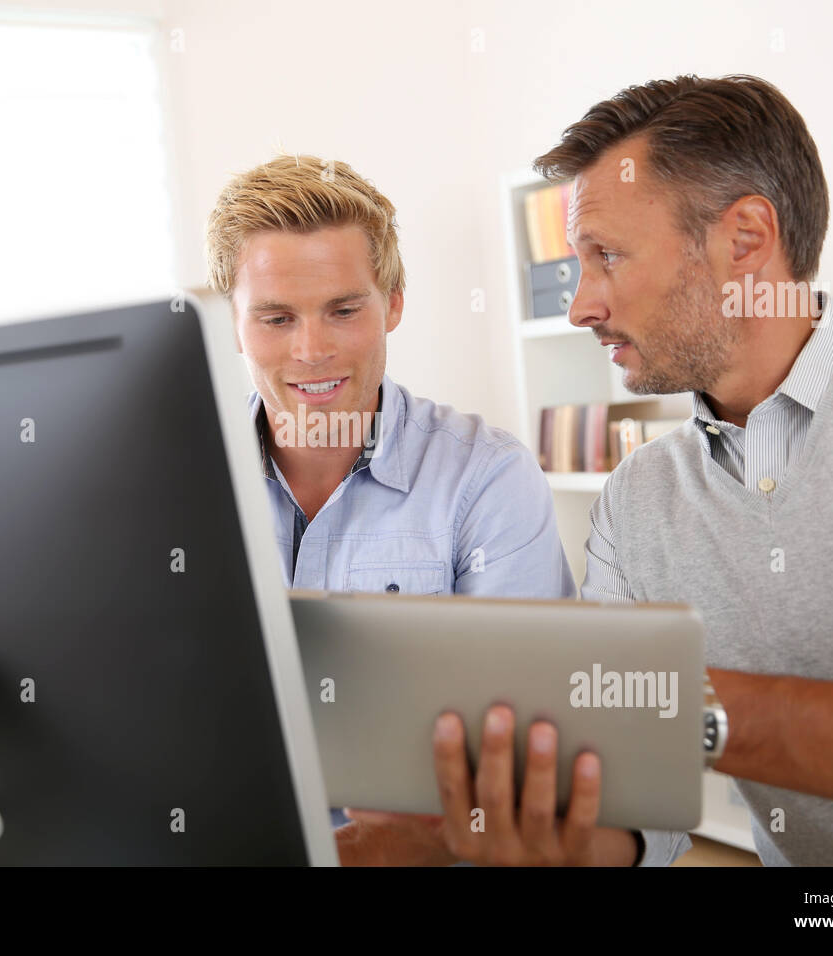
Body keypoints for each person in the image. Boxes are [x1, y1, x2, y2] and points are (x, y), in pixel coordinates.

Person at [430, 74, 833, 866]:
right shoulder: (637, 495)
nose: (580, 306)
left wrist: (677, 705)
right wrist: (566, 838)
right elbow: (636, 804)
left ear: (746, 239)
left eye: (607, 256)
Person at [204, 154, 576, 864]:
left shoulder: (486, 479)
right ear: (234, 321)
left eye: (343, 310)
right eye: (276, 318)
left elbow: (524, 750)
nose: (312, 351)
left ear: (394, 302)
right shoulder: (181, 477)